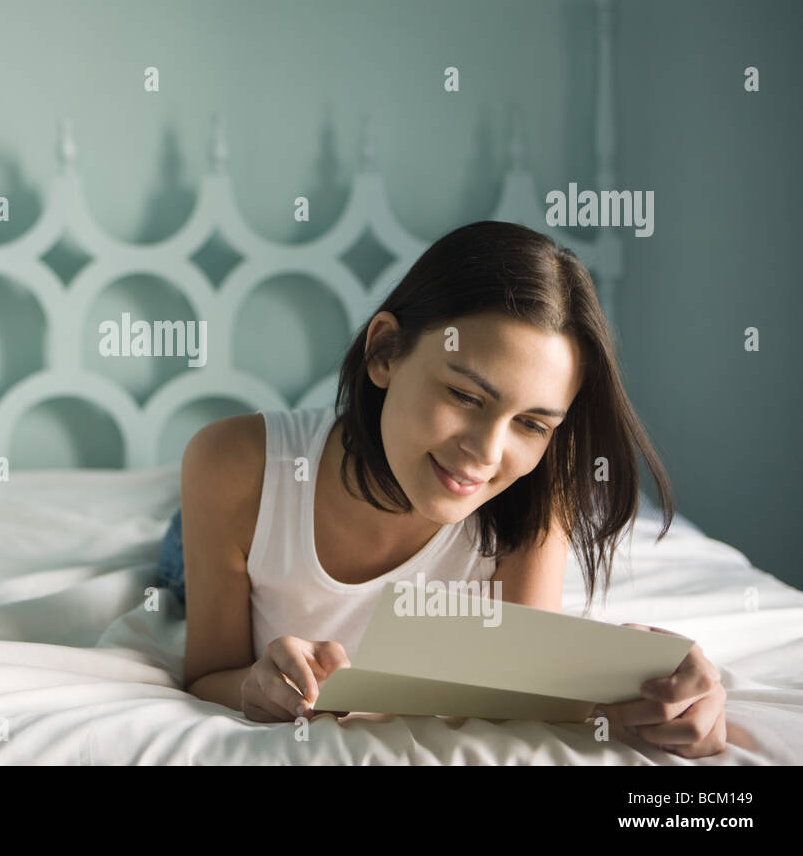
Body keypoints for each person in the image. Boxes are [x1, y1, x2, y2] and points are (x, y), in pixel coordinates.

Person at [159, 220, 728, 758]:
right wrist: (254, 685)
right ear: (383, 352)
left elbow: (521, 685)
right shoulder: (233, 463)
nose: (485, 454)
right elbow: (208, 675)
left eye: (531, 424)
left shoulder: (538, 489)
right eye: (465, 397)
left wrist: (660, 689)